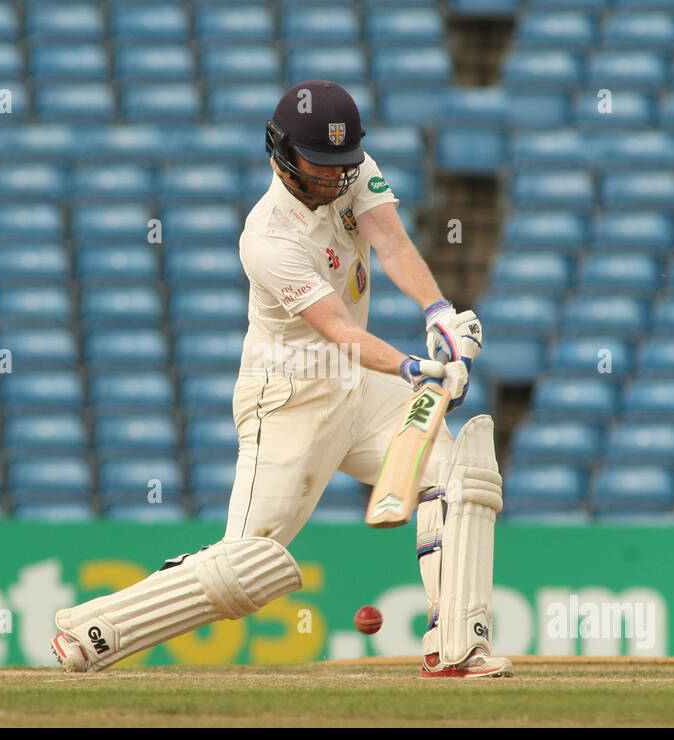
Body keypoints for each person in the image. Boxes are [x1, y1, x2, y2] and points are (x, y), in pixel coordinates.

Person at [52, 80, 511, 678]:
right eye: (317, 169)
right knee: (250, 563)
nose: (330, 181)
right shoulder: (267, 237)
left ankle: (455, 644)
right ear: (281, 153)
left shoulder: (353, 170)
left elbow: (393, 244)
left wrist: (438, 313)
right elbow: (340, 331)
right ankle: (96, 631)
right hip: (291, 398)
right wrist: (417, 368)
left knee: (458, 479)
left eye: (339, 168)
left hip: (361, 388)